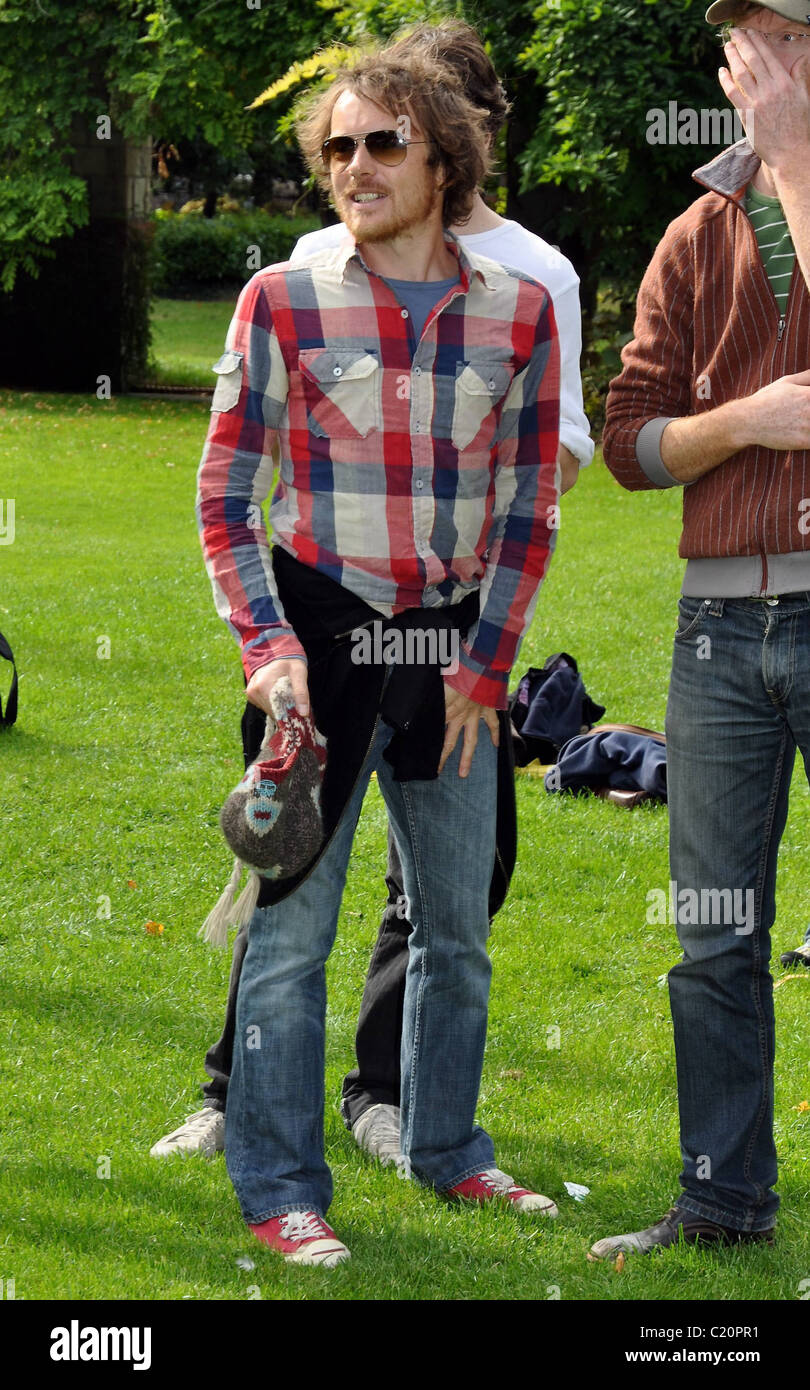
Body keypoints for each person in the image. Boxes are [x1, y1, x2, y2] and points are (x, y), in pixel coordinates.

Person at [151, 21, 592, 1165]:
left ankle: (449, 1153)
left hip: (453, 653)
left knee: (456, 933)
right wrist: (266, 645)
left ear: (444, 161)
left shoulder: (522, 311)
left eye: (383, 144)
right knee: (291, 933)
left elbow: (531, 503)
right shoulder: (280, 300)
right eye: (338, 148)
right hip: (320, 634)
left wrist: (491, 663)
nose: (355, 167)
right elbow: (224, 496)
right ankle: (280, 1180)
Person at [591, 0, 810, 1259]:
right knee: (715, 931)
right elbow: (629, 439)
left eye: (780, 40)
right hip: (721, 635)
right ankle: (724, 1200)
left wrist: (793, 160)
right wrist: (747, 422)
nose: (752, 64)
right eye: (746, 44)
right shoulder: (694, 233)